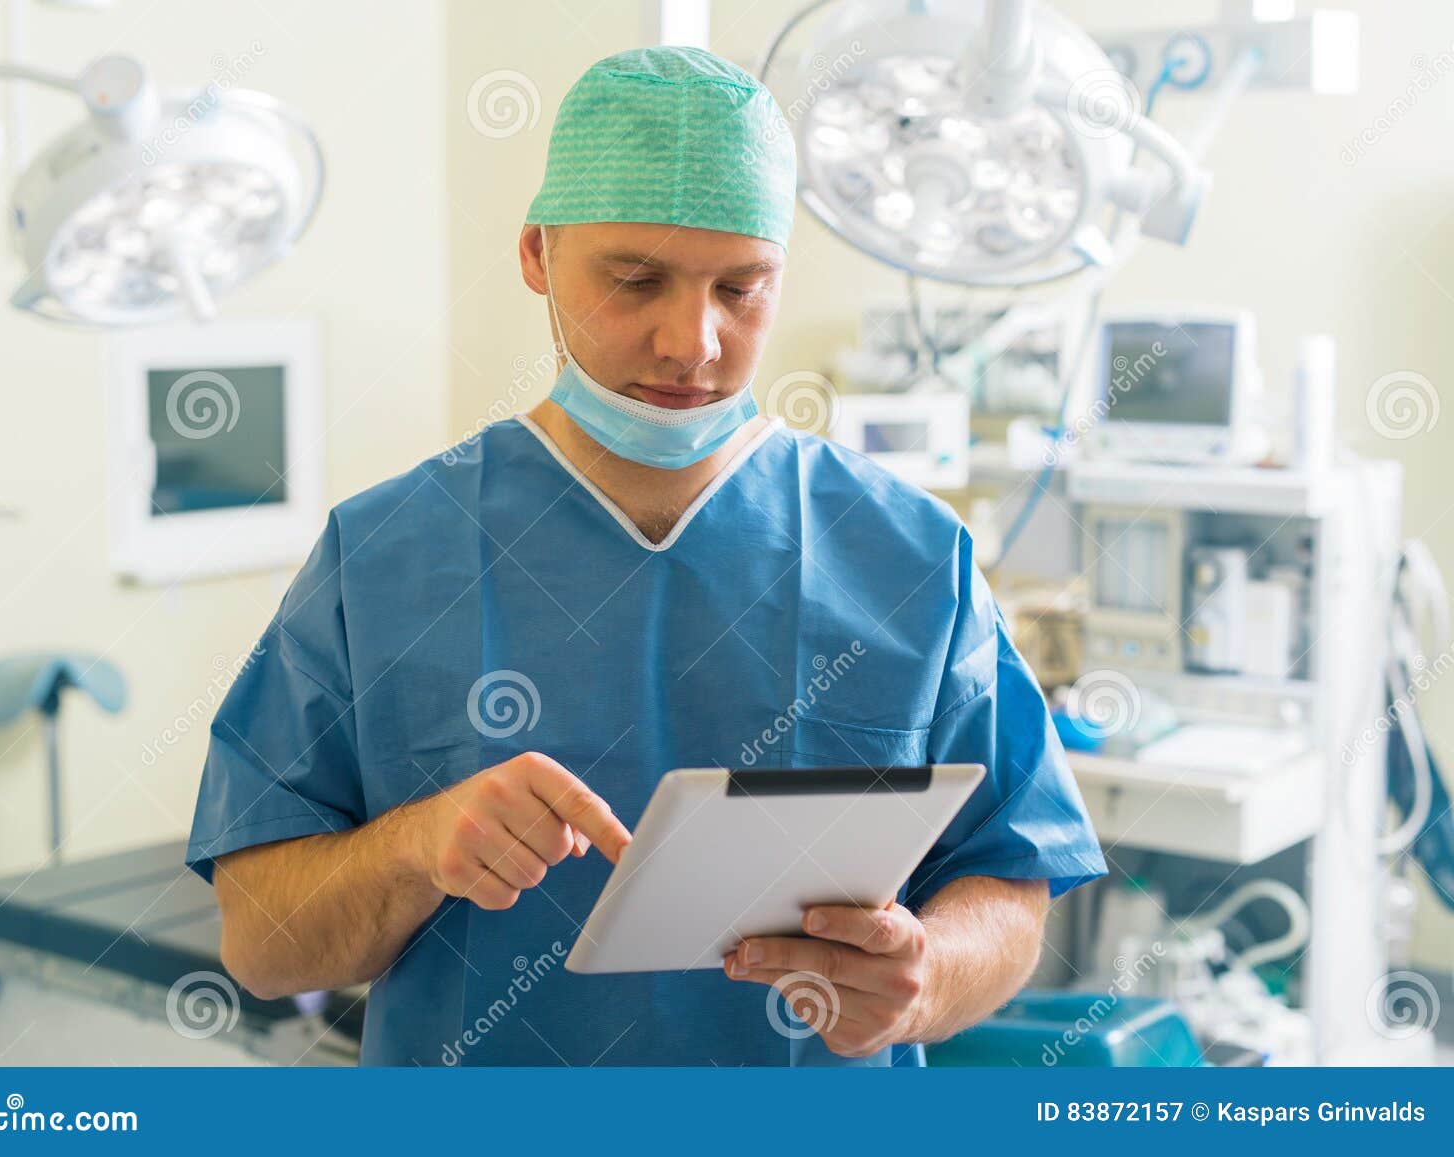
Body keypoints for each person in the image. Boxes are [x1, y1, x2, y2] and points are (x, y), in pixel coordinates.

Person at [187, 45, 1105, 1067]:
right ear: (537, 255)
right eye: (636, 280)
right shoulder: (385, 555)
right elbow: (260, 944)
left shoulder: (910, 556)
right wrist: (412, 848)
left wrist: (926, 978)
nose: (691, 342)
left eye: (741, 288)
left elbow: (1011, 880)